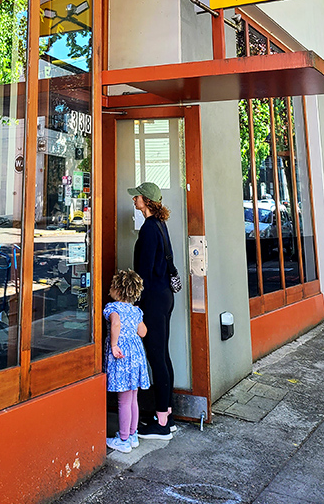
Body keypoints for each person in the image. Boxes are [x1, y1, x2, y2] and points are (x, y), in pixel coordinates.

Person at [130, 181, 176, 440]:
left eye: (137, 196)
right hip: (165, 296)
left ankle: (161, 423)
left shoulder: (149, 228)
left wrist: (136, 307)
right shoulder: (160, 225)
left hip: (153, 300)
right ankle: (167, 414)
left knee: (156, 356)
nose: (134, 200)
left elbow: (144, 272)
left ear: (145, 200)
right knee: (163, 355)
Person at [104, 270, 150, 453]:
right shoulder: (136, 311)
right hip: (136, 357)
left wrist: (114, 344)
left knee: (123, 401)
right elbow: (143, 332)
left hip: (122, 357)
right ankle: (133, 435)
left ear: (117, 289)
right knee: (133, 398)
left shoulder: (112, 308)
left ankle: (123, 439)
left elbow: (115, 323)